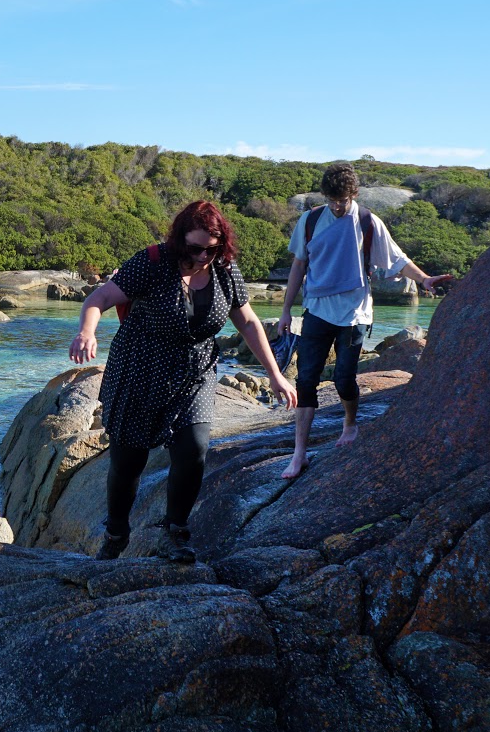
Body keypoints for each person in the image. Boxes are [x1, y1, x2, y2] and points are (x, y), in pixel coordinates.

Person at [69, 200, 298, 562]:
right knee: (129, 462)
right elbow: (101, 298)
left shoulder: (224, 268)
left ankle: (175, 532)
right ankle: (116, 533)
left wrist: (275, 375)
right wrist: (86, 332)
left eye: (213, 248)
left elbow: (249, 322)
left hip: (195, 372)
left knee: (193, 450)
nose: (204, 256)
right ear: (179, 240)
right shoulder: (152, 262)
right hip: (140, 368)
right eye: (195, 248)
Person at [279, 163, 452, 479]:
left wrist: (424, 279)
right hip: (316, 310)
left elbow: (396, 261)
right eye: (331, 199)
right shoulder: (310, 220)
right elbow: (298, 266)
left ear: (353, 194)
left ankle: (350, 424)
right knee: (305, 381)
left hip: (354, 315)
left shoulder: (368, 223)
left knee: (345, 378)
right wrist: (285, 310)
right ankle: (299, 453)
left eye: (342, 200)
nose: (336, 206)